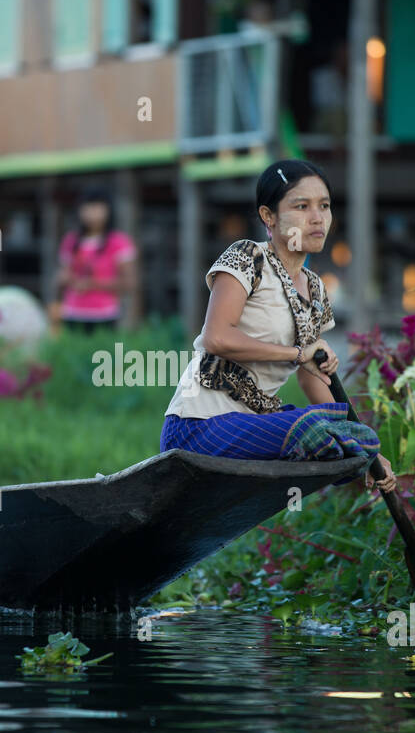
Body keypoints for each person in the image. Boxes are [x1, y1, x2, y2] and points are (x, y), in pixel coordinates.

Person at [160, 159, 396, 491]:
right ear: (268, 216)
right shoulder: (247, 257)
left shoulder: (315, 288)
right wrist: (297, 353)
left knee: (358, 437)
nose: (317, 218)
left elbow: (311, 374)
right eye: (301, 206)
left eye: (324, 206)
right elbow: (216, 337)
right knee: (316, 430)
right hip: (199, 426)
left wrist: (369, 456)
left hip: (253, 426)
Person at [56, 187, 139, 334]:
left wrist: (93, 284)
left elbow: (130, 283)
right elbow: (62, 275)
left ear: (108, 211)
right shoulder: (71, 241)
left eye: (97, 208)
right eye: (87, 208)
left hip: (104, 315)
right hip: (73, 313)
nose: (91, 213)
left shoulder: (118, 242)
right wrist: (66, 279)